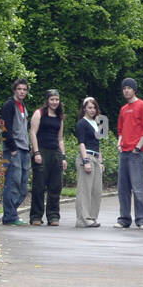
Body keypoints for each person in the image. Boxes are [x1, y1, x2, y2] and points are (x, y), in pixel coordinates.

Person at [116, 77, 143, 228]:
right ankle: (124, 219)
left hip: (136, 153)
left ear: (134, 90)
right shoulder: (123, 109)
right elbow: (120, 129)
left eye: (129, 88)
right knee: (122, 189)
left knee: (138, 188)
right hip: (123, 152)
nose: (126, 90)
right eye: (124, 88)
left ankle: (142, 219)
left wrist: (138, 147)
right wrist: (119, 143)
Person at [29, 89, 67, 225]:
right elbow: (33, 133)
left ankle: (53, 216)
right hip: (41, 151)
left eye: (56, 99)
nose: (54, 102)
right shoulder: (38, 114)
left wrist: (63, 157)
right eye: (52, 99)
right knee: (39, 185)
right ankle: (36, 216)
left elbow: (60, 138)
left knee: (55, 186)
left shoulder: (59, 117)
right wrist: (36, 152)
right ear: (47, 100)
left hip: (55, 152)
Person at [0, 79, 30, 226]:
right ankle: (9, 217)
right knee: (12, 182)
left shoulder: (23, 106)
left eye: (24, 89)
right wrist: (12, 148)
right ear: (14, 90)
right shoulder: (9, 105)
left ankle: (12, 212)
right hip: (13, 149)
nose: (22, 92)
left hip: (24, 148)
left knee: (23, 186)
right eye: (19, 89)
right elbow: (5, 128)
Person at [74, 97, 104, 227]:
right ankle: (83, 219)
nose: (92, 110)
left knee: (96, 190)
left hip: (96, 158)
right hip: (86, 157)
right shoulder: (81, 123)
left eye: (94, 108)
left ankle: (92, 217)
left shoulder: (99, 123)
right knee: (84, 190)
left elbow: (98, 143)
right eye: (89, 108)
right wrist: (85, 160)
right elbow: (81, 143)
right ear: (84, 108)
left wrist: (101, 161)